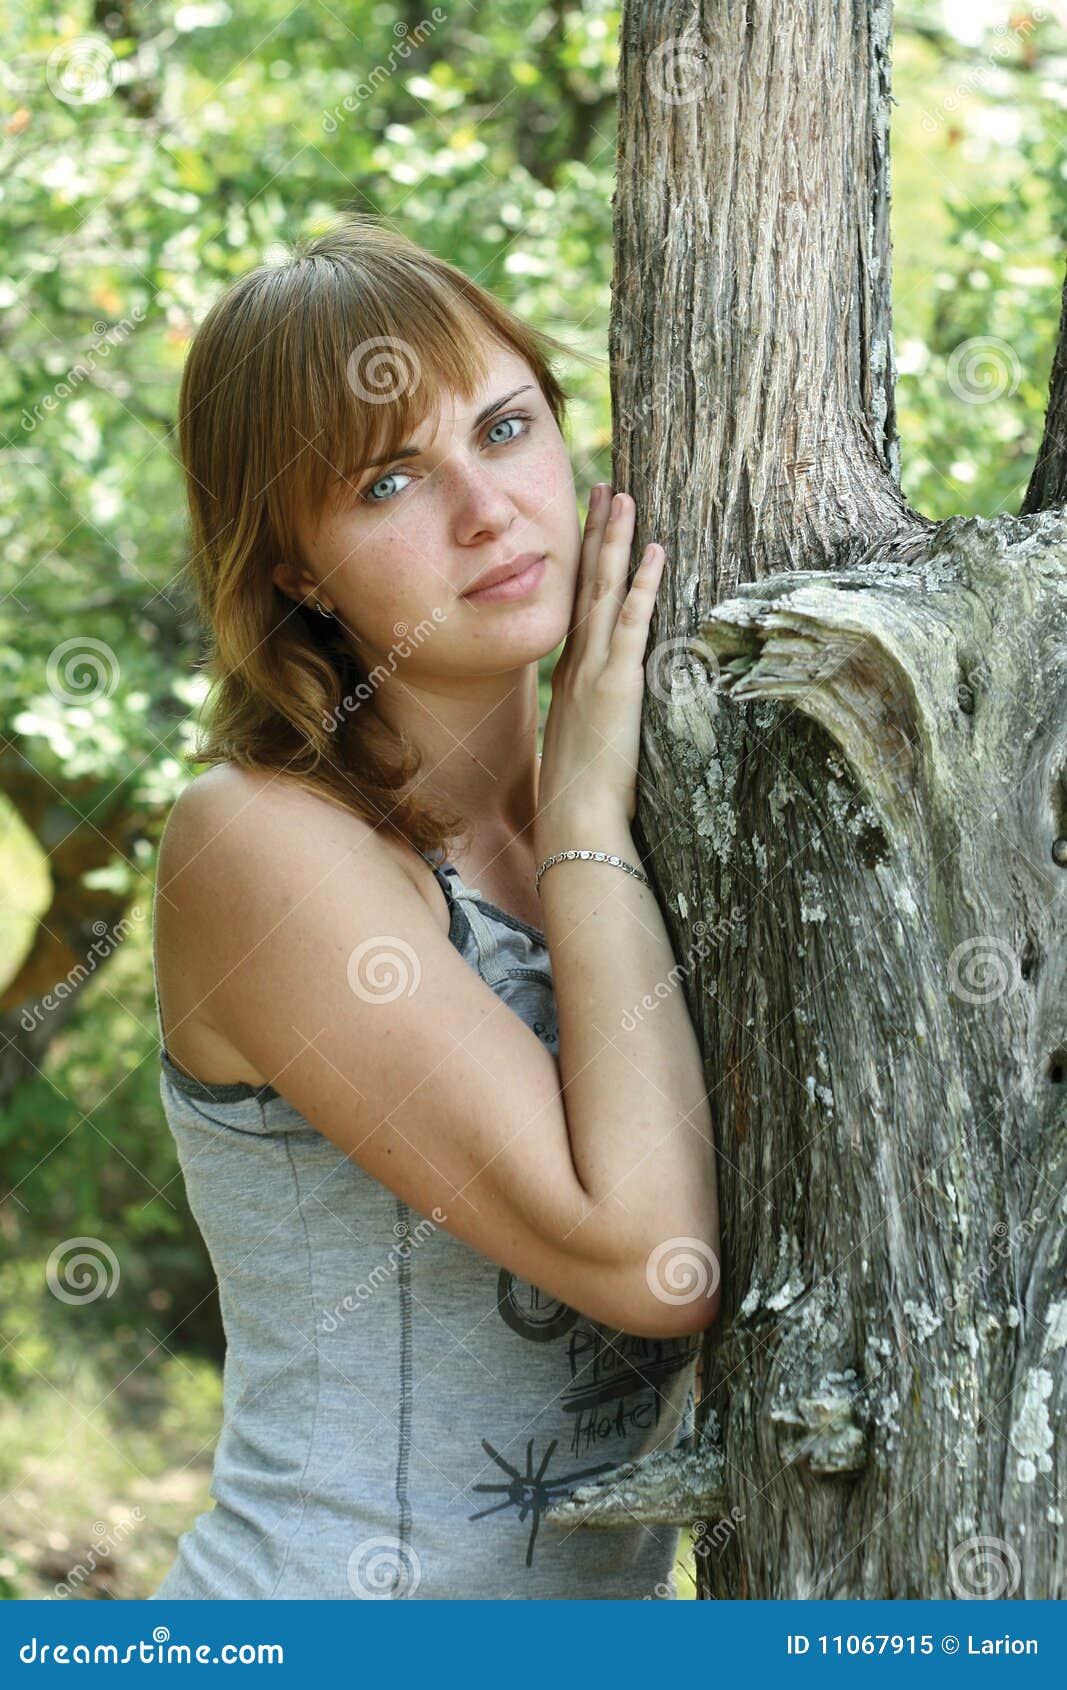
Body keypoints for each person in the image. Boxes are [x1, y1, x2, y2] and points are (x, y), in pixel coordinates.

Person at [148, 216, 720, 1601]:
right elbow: (657, 1259)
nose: (486, 509)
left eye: (508, 428)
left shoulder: (692, 814)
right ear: (293, 569)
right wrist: (584, 820)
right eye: (392, 480)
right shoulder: (257, 846)